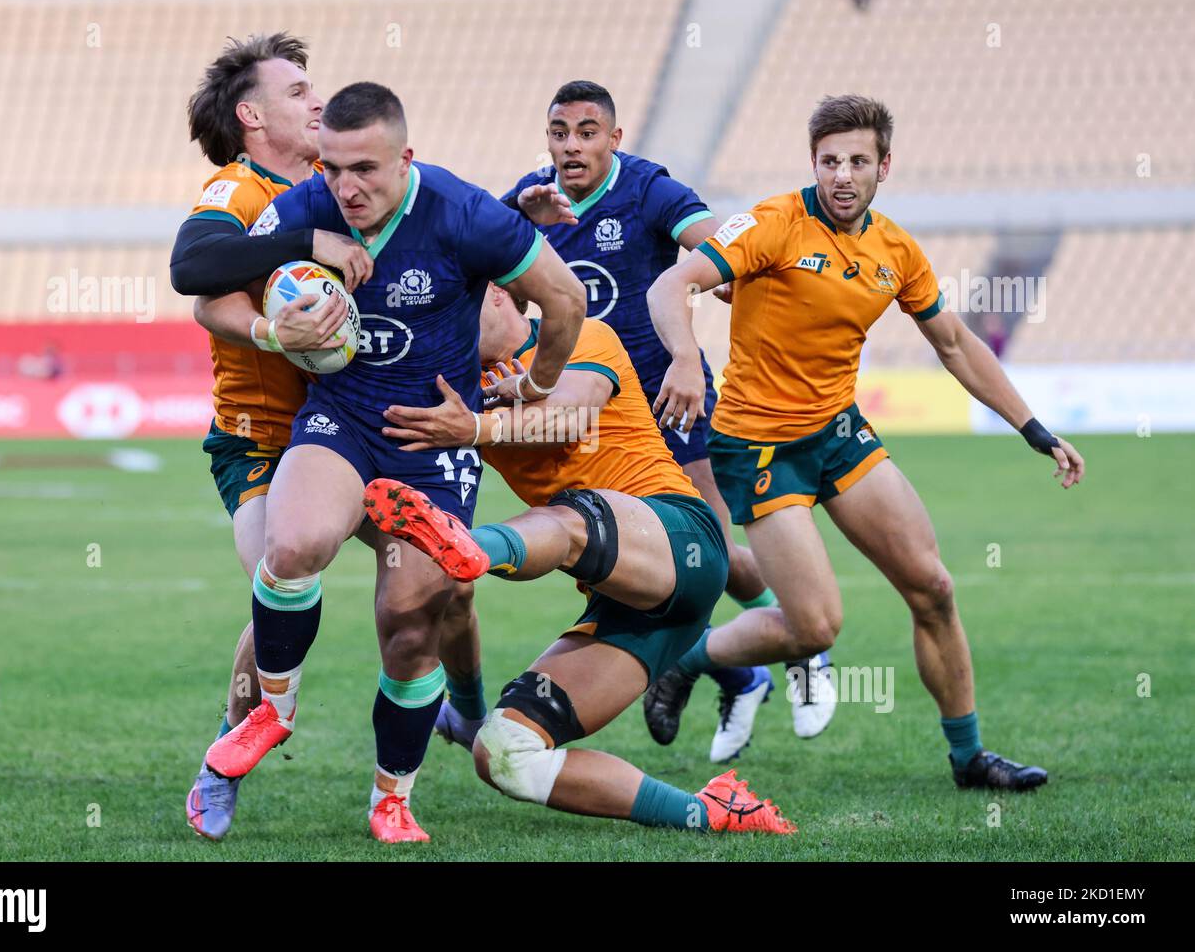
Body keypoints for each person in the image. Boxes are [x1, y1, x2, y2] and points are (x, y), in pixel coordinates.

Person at [644, 94, 1083, 791]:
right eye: (828, 161)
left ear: (885, 165)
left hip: (838, 432)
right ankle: (690, 659)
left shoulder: (897, 250)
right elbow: (674, 283)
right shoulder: (771, 224)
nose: (842, 174)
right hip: (759, 445)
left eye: (856, 160)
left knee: (933, 586)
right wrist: (682, 358)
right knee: (815, 627)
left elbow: (955, 344)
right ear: (812, 162)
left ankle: (969, 757)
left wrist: (1033, 427)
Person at [201, 82, 587, 843]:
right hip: (340, 418)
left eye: (366, 170)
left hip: (431, 445)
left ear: (406, 159)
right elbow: (208, 298)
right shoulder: (306, 207)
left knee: (411, 621)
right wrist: (274, 329)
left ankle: (391, 796)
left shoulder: (462, 212)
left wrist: (533, 386)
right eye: (333, 167)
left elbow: (566, 299)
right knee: (292, 544)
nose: (346, 187)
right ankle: (272, 709)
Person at [366, 286, 796, 835]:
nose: (443, 323)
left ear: (498, 294)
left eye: (456, 304)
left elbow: (569, 418)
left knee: (570, 517)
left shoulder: (580, 336)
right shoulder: (462, 390)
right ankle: (711, 811)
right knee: (505, 753)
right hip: (628, 604)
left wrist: (476, 428)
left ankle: (473, 547)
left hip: (679, 536)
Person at [491, 80, 833, 761]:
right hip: (587, 413)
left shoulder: (647, 188)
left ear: (614, 139)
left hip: (666, 399)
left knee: (708, 547)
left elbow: (711, 245)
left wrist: (717, 298)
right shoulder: (531, 197)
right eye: (560, 132)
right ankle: (738, 671)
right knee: (626, 566)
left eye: (587, 132)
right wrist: (516, 213)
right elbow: (475, 259)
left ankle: (798, 645)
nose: (571, 146)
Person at [167, 32, 365, 840]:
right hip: (258, 440)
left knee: (438, 594)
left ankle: (462, 708)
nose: (318, 102)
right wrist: (302, 249)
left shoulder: (340, 181)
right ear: (252, 116)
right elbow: (195, 269)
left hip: (355, 429)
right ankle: (228, 749)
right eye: (298, 91)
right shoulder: (237, 188)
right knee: (282, 579)